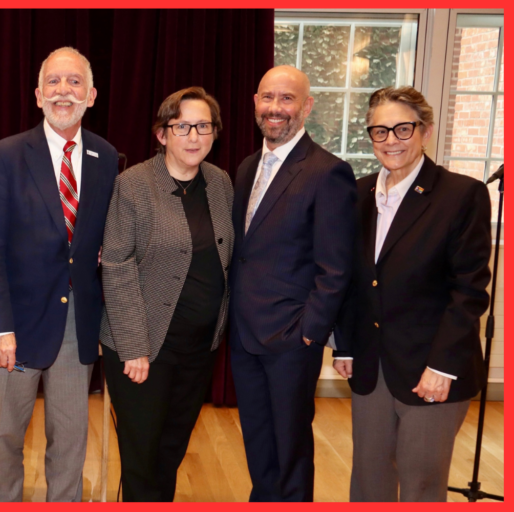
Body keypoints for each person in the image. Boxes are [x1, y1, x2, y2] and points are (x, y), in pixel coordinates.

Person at [332, 86, 491, 502]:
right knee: (369, 478)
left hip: (431, 368)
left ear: (426, 131)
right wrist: (345, 345)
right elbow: (351, 279)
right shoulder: (359, 193)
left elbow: (469, 290)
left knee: (421, 481)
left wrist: (443, 365)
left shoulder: (462, 195)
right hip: (371, 364)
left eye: (403, 129)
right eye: (379, 131)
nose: (390, 141)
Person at [0, 47, 119, 502]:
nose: (64, 91)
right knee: (4, 441)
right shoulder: (5, 155)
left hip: (77, 323)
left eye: (74, 82)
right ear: (38, 95)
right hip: (13, 325)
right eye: (54, 82)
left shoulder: (107, 156)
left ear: (91, 95)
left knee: (71, 442)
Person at [99, 87, 234, 501]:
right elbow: (117, 264)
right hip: (145, 348)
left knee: (173, 447)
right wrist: (134, 347)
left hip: (200, 347)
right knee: (143, 451)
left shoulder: (220, 182)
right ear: (162, 134)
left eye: (203, 126)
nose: (194, 136)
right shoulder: (134, 184)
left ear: (214, 133)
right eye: (182, 126)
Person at [228, 65, 356, 502]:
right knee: (258, 440)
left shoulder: (328, 172)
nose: (275, 108)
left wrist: (308, 334)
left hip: (290, 339)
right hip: (244, 335)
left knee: (292, 447)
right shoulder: (247, 167)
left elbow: (336, 267)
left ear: (306, 106)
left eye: (287, 99)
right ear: (255, 104)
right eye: (268, 98)